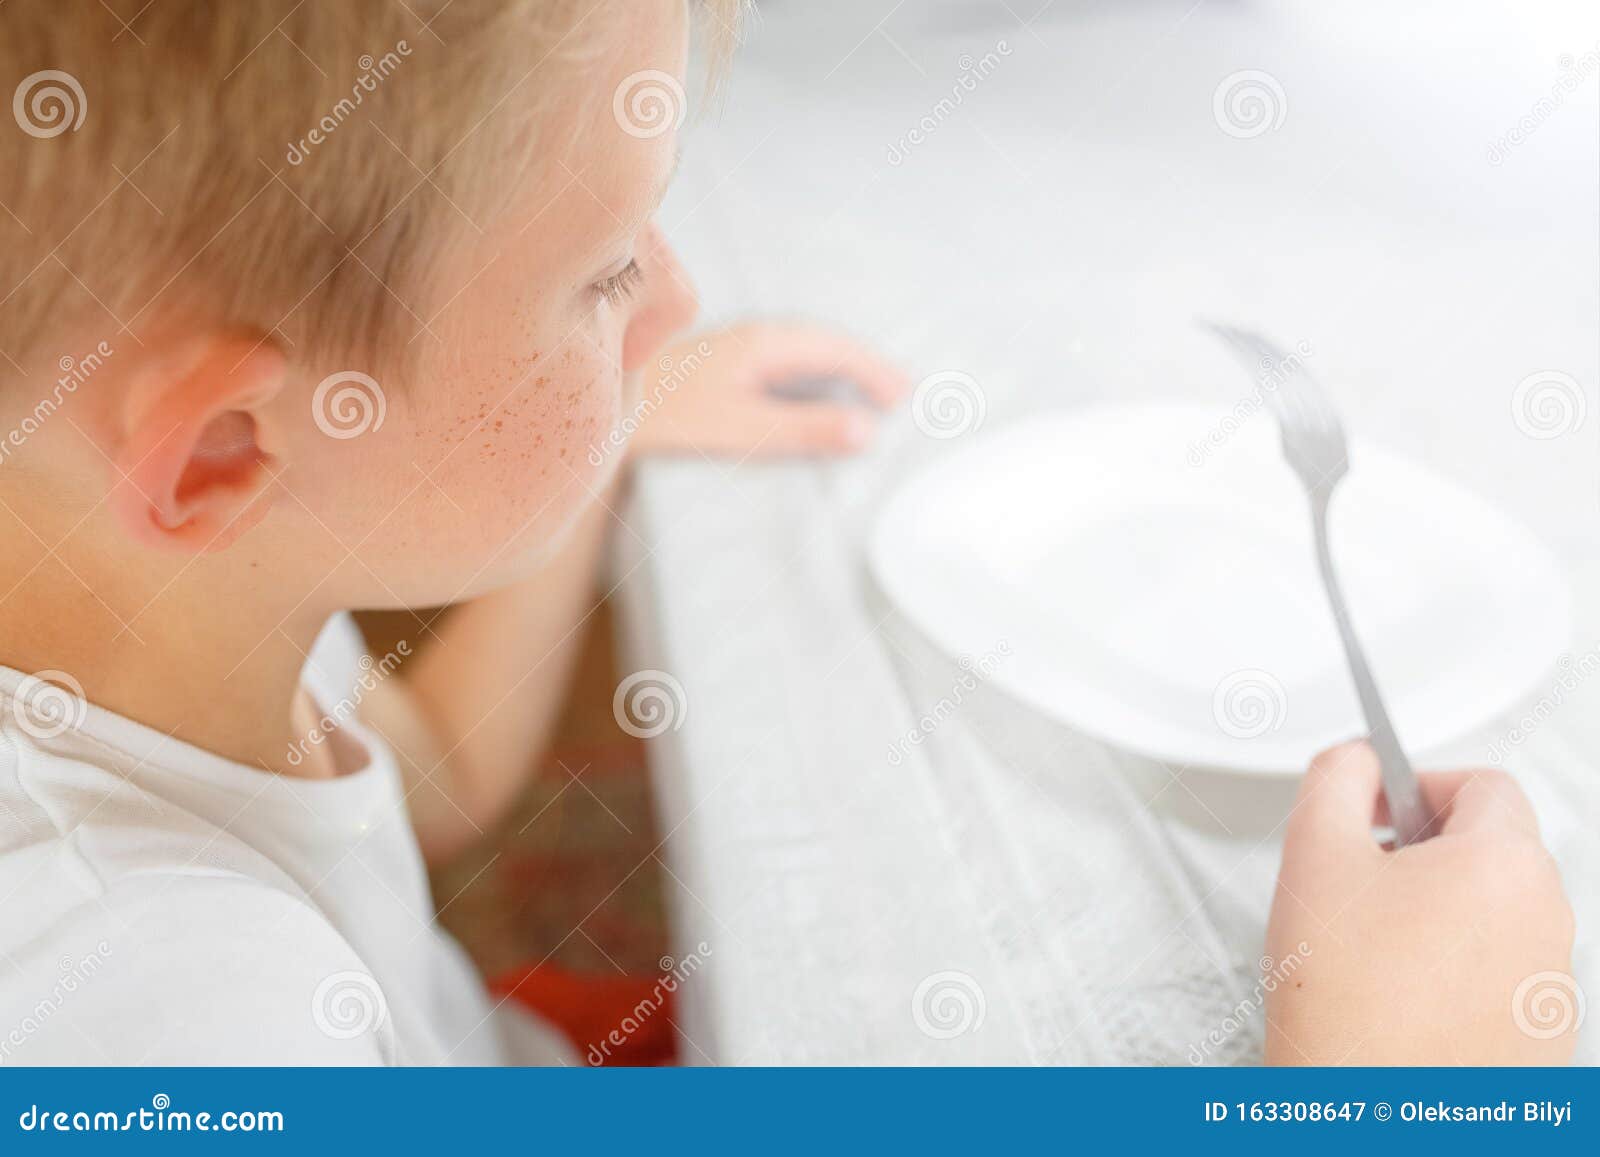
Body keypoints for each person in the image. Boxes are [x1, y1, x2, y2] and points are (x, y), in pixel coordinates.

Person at [0, 0, 1576, 1065]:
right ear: (218, 452)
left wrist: (596, 419)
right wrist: (1409, 1100)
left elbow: (418, 775)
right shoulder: (181, 1019)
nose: (676, 293)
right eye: (609, 269)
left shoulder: (143, 596)